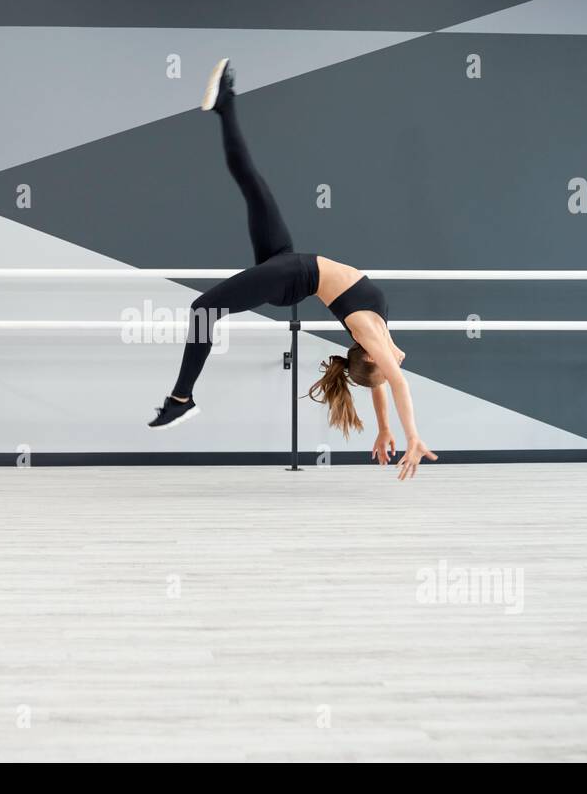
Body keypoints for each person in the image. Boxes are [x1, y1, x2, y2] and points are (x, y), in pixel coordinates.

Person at [148, 59, 437, 479]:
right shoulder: (380, 335)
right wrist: (385, 428)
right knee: (251, 181)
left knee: (203, 309)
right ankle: (225, 105)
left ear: (373, 355)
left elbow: (396, 384)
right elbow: (381, 385)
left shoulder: (369, 333)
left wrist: (412, 435)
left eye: (385, 363)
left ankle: (181, 399)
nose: (398, 364)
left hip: (291, 276)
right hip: (288, 263)